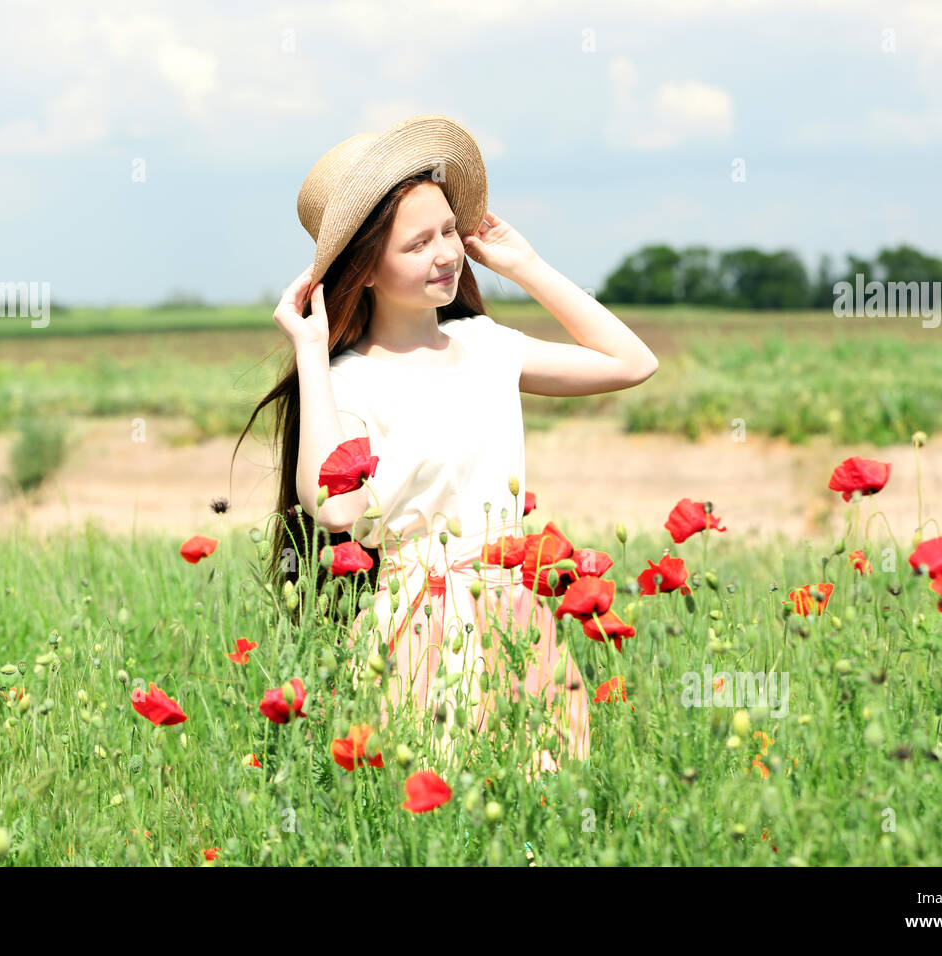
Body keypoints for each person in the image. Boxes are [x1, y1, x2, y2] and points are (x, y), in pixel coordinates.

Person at [239, 113, 659, 781]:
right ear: (366, 270)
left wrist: (527, 267)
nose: (444, 254)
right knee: (439, 806)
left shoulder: (488, 348)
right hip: (411, 620)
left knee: (543, 801)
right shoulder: (348, 382)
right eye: (416, 244)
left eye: (446, 233)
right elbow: (332, 509)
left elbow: (632, 362)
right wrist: (311, 349)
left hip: (510, 611)